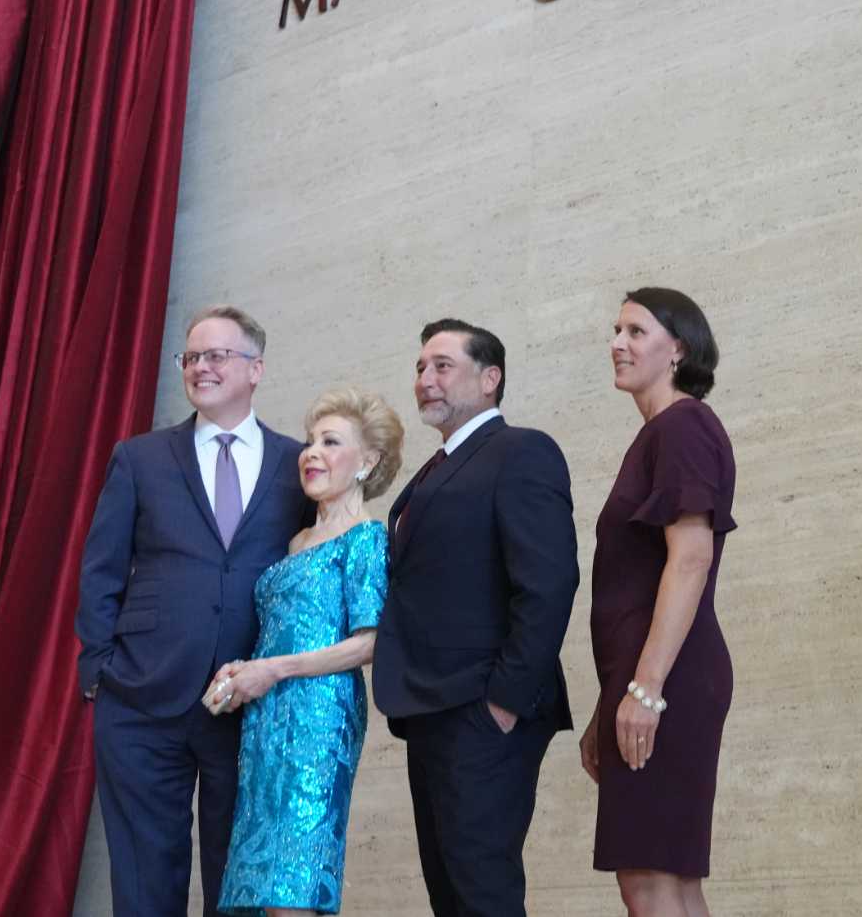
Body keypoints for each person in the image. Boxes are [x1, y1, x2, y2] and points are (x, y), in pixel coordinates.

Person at [76, 306, 313, 917]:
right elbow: (100, 570)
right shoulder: (139, 458)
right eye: (191, 357)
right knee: (144, 883)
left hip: (250, 704)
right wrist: (98, 670)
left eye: (217, 355)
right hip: (139, 699)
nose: (200, 367)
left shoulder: (298, 465)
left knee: (237, 887)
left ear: (256, 368)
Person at [372, 318, 580, 917]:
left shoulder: (521, 451)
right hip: (430, 709)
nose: (425, 379)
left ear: (490, 379)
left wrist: (503, 703)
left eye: (442, 366)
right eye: (419, 368)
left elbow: (547, 583)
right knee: (451, 893)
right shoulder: (433, 470)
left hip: (482, 710)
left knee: (481, 892)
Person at [204, 388, 403, 917]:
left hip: (319, 715)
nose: (310, 452)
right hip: (266, 718)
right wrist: (246, 669)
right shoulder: (294, 542)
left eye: (330, 442)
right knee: (263, 887)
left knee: (294, 882)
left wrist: (272, 669)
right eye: (311, 441)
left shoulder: (366, 538)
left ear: (368, 461)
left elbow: (371, 642)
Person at [583, 287, 738, 917]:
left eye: (636, 331)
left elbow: (691, 556)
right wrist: (610, 704)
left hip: (668, 680)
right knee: (663, 880)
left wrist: (645, 690)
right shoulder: (659, 434)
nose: (617, 344)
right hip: (651, 678)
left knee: (651, 881)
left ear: (677, 348)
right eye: (616, 331)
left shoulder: (684, 425)